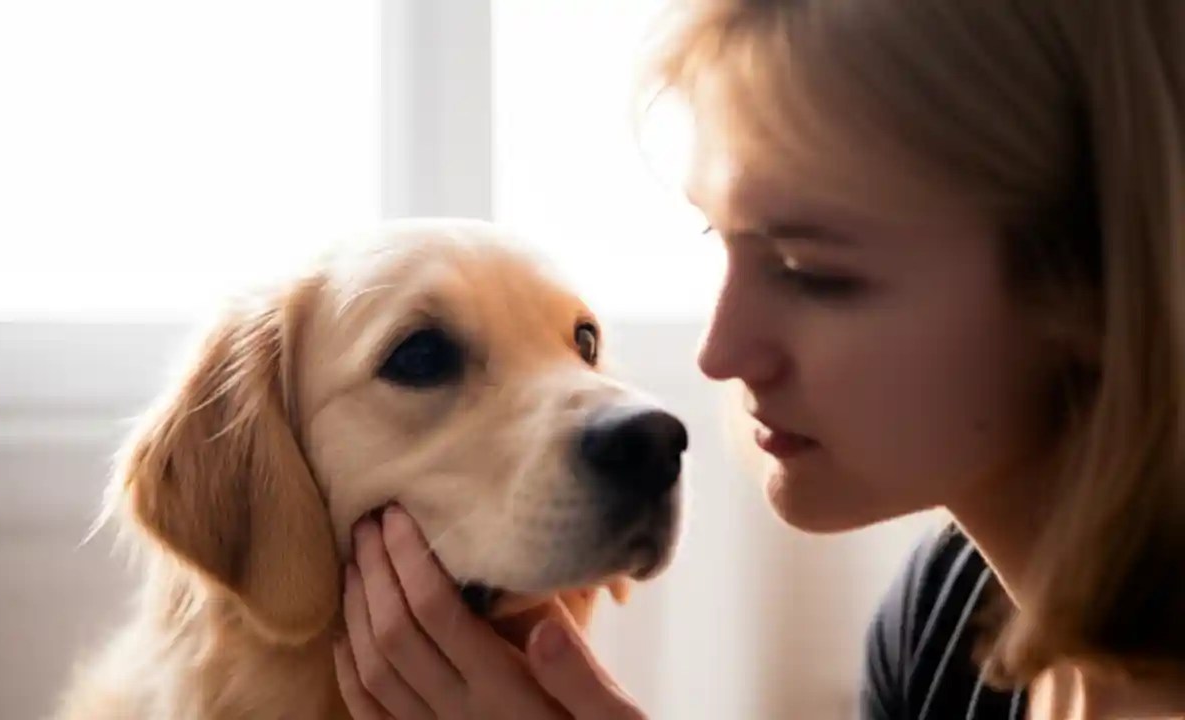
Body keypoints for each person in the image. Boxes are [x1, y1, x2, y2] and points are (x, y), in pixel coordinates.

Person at [331, 0, 1185, 717]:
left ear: (1099, 278)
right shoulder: (945, 626)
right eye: (722, 238)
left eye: (814, 272)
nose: (719, 353)